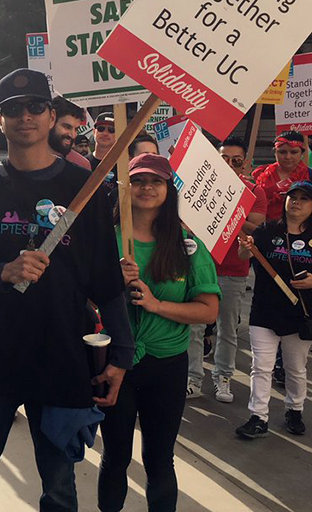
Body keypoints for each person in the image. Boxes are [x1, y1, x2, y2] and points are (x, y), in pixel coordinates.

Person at [0, 68, 136, 511]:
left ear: (51, 116)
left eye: (35, 107)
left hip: (63, 361)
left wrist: (122, 356)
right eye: (12, 109)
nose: (24, 116)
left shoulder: (84, 190)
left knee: (60, 490)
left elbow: (106, 281)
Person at [99, 154, 221, 512]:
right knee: (115, 455)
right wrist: (110, 280)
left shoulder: (187, 245)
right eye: (138, 181)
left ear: (169, 189)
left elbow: (208, 310)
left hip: (166, 365)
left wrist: (155, 305)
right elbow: (81, 297)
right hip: (116, 362)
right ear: (127, 188)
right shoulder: (108, 239)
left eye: (156, 181)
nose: (147, 188)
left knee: (159, 459)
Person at [234, 181, 312, 439]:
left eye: (304, 198)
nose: (296, 202)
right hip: (265, 311)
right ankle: (258, 416)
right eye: (292, 197)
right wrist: (244, 249)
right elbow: (245, 256)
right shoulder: (267, 230)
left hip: (301, 314)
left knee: (296, 367)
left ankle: (295, 409)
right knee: (261, 366)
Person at [187, 137, 267, 402]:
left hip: (233, 269)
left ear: (244, 163)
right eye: (224, 160)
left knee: (227, 328)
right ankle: (193, 378)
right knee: (196, 327)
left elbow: (256, 227)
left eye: (236, 161)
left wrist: (231, 208)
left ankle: (223, 377)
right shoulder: (202, 187)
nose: (230, 165)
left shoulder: (254, 191)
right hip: (200, 267)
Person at [252, 131, 312, 226]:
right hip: (267, 234)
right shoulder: (260, 173)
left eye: (294, 152)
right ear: (275, 152)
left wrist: (307, 200)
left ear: (302, 153)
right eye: (282, 152)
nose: (288, 157)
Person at [49, 96, 92, 171]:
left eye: (76, 129)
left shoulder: (81, 164)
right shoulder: (26, 159)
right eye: (67, 127)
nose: (72, 135)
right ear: (51, 120)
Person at [87, 112, 117, 177]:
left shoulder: (124, 167)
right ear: (94, 131)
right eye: (101, 129)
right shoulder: (82, 162)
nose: (105, 133)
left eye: (111, 130)